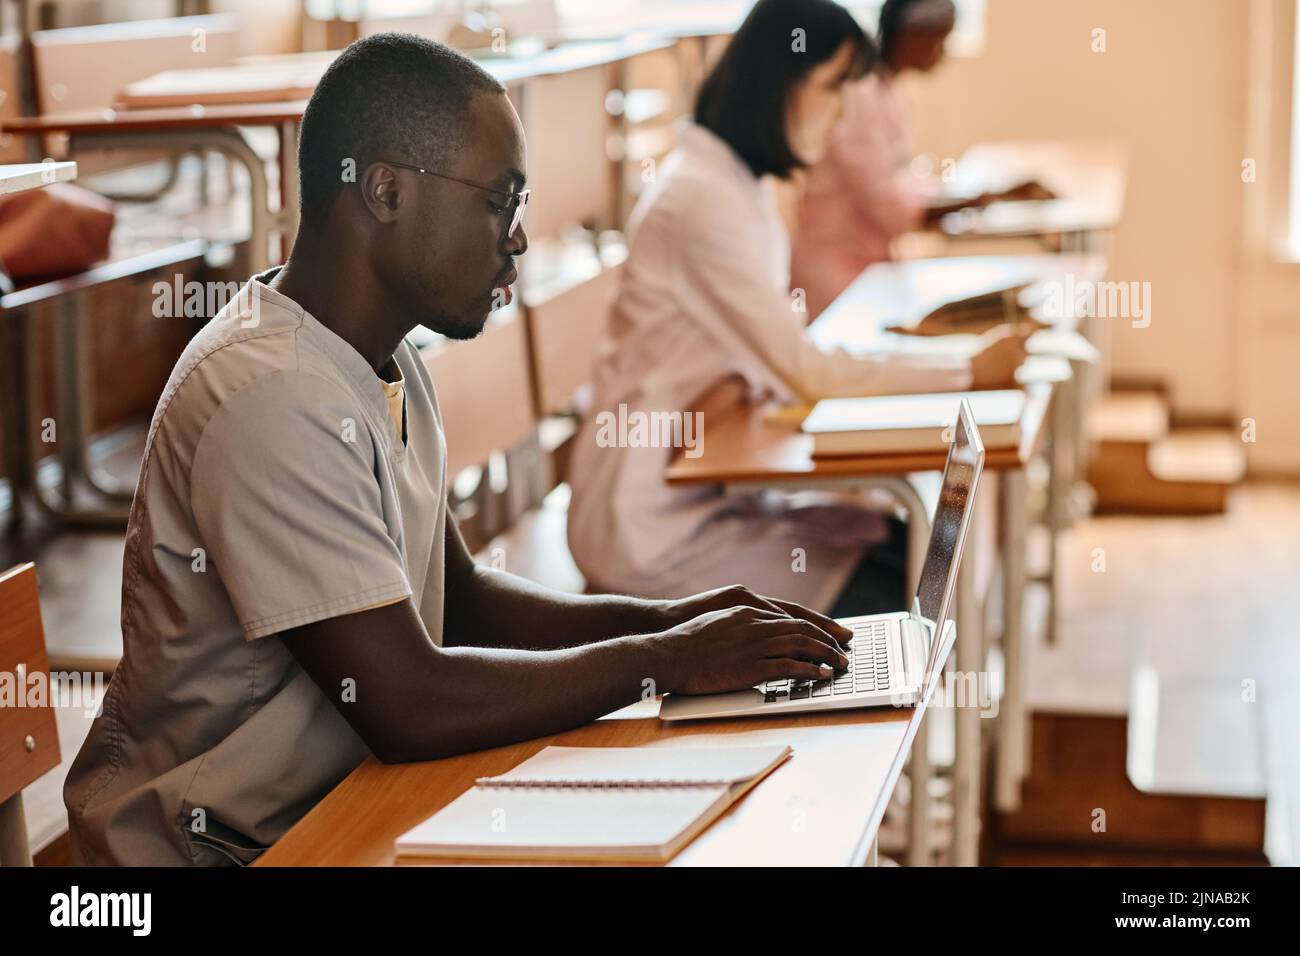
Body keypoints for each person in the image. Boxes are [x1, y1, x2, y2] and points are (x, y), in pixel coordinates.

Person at [62, 32, 855, 866]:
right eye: (498, 200)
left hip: (342, 800)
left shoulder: (383, 356)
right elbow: (408, 703)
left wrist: (680, 621)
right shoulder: (266, 392)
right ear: (386, 191)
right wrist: (663, 660)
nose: (516, 238)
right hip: (223, 848)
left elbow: (463, 597)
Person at [566, 0, 1028, 616]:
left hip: (705, 490)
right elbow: (803, 372)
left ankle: (958, 705)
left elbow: (780, 366)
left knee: (911, 547)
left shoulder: (735, 184)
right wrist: (968, 371)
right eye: (833, 90)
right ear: (781, 84)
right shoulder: (703, 200)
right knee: (908, 590)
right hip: (651, 528)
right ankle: (929, 706)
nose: (841, 116)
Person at [791, 0, 1050, 319]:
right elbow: (889, 205)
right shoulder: (860, 95)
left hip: (869, 262)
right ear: (911, 34)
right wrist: (981, 199)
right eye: (939, 40)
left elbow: (905, 182)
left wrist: (988, 196)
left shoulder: (887, 92)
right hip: (833, 272)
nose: (943, 53)